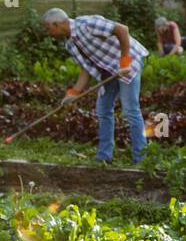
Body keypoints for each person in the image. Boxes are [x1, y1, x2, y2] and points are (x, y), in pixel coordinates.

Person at [43, 9, 149, 164]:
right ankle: (104, 156)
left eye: (48, 29)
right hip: (109, 70)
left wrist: (125, 62)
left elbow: (122, 30)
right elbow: (85, 69)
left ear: (57, 24)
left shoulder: (88, 24)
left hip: (128, 63)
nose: (48, 33)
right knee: (103, 110)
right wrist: (73, 92)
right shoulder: (70, 45)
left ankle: (140, 159)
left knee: (130, 110)